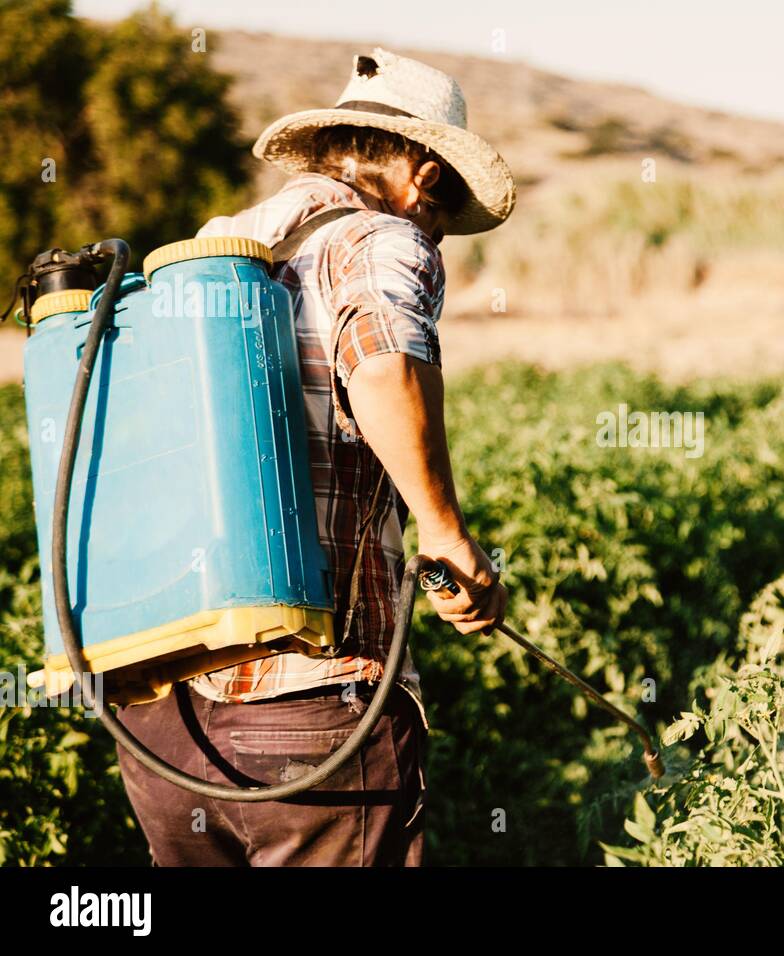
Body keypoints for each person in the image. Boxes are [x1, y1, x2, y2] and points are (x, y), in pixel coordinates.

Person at [115, 48, 512, 866]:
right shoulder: (382, 238)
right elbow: (381, 358)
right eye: (444, 210)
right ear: (426, 175)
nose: (439, 233)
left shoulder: (211, 257)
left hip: (161, 722)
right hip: (309, 706)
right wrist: (443, 534)